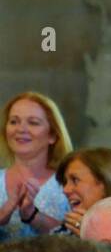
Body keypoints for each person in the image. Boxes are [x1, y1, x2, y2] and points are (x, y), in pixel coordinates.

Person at [0, 91, 72, 240]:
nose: (21, 129)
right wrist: (3, 213)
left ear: (52, 135)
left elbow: (82, 236)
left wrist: (32, 215)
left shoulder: (68, 182)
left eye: (33, 122)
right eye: (14, 121)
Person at [56, 146, 111, 235]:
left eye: (75, 180)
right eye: (65, 182)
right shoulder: (63, 233)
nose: (65, 190)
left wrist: (94, 236)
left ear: (106, 185)